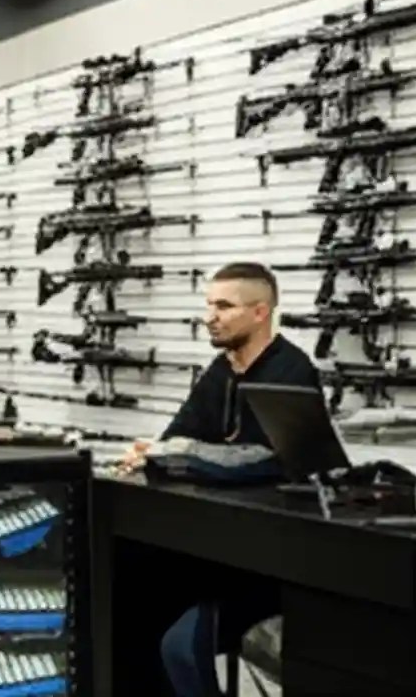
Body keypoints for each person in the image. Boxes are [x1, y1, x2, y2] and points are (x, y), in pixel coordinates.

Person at [118, 262, 320, 697]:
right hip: (215, 543)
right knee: (129, 602)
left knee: (185, 646)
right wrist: (152, 454)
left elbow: (268, 460)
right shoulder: (220, 371)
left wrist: (176, 453)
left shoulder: (292, 370)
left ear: (260, 312)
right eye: (209, 305)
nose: (211, 315)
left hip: (270, 553)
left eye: (224, 306)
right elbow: (181, 434)